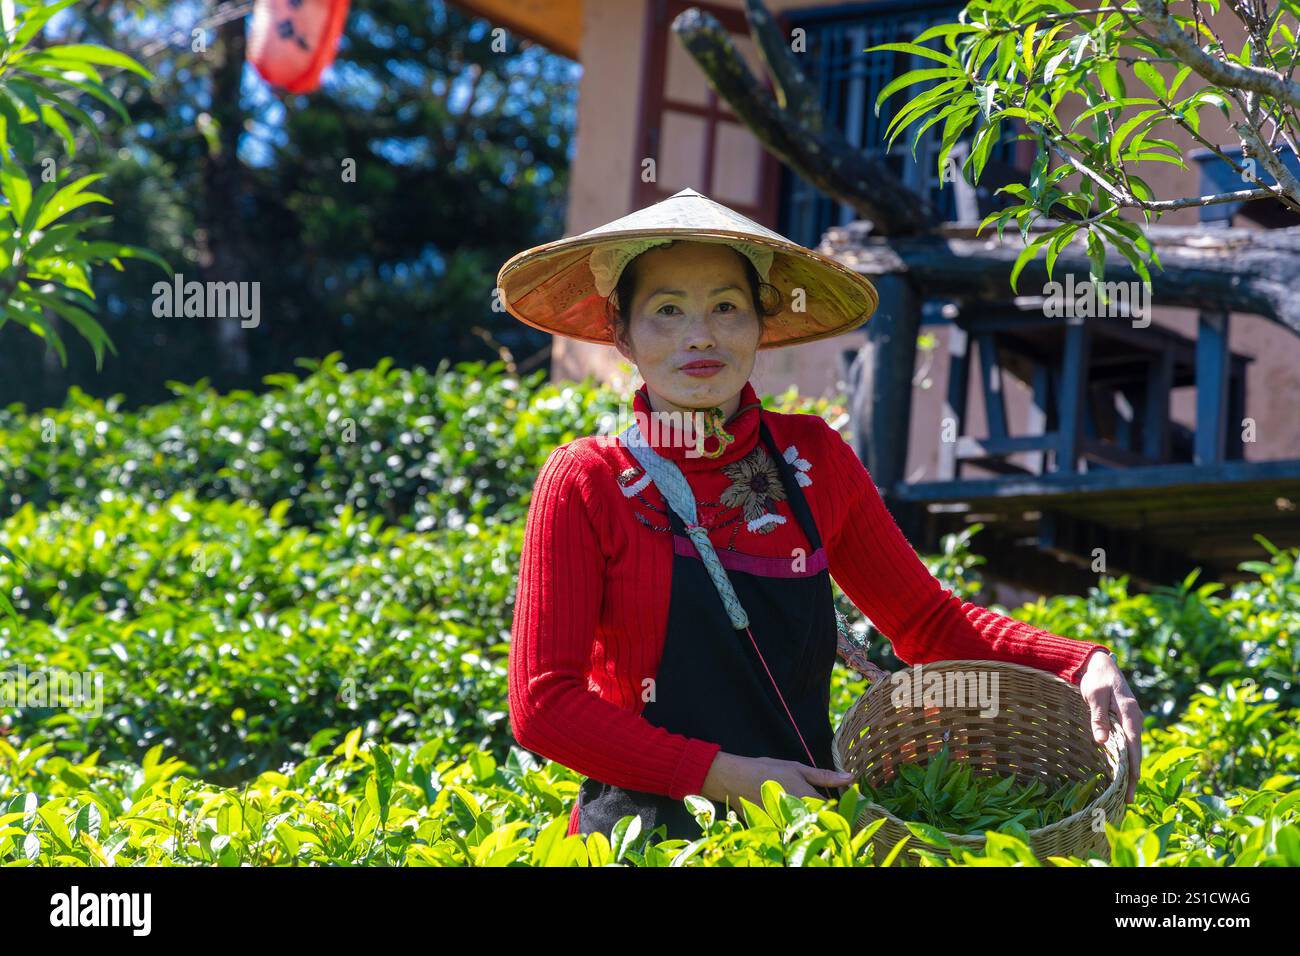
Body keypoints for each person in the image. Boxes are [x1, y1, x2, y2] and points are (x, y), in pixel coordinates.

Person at [497, 186, 1143, 844]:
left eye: (727, 306)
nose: (701, 335)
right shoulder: (588, 480)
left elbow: (926, 622)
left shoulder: (811, 458)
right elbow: (543, 706)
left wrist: (1080, 661)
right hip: (636, 841)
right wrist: (718, 773)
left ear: (759, 324)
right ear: (623, 334)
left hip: (799, 837)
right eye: (667, 311)